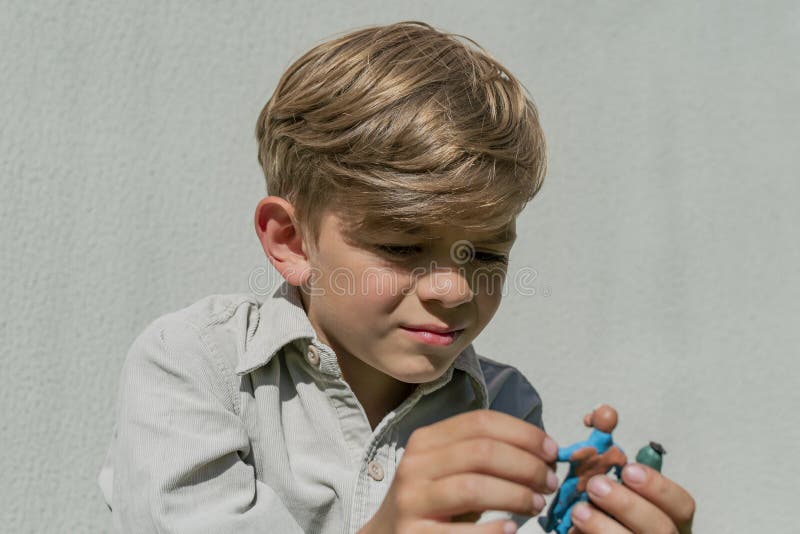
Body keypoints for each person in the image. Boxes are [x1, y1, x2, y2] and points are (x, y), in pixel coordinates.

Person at [96, 20, 695, 534]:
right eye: (403, 247)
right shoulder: (193, 367)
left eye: (487, 255)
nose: (455, 289)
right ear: (291, 241)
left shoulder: (507, 406)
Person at [538, 404, 627, 534]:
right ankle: (563, 529)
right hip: (589, 488)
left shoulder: (583, 449)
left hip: (572, 484)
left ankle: (549, 523)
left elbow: (559, 455)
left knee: (558, 506)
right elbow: (622, 471)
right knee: (575, 509)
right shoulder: (618, 453)